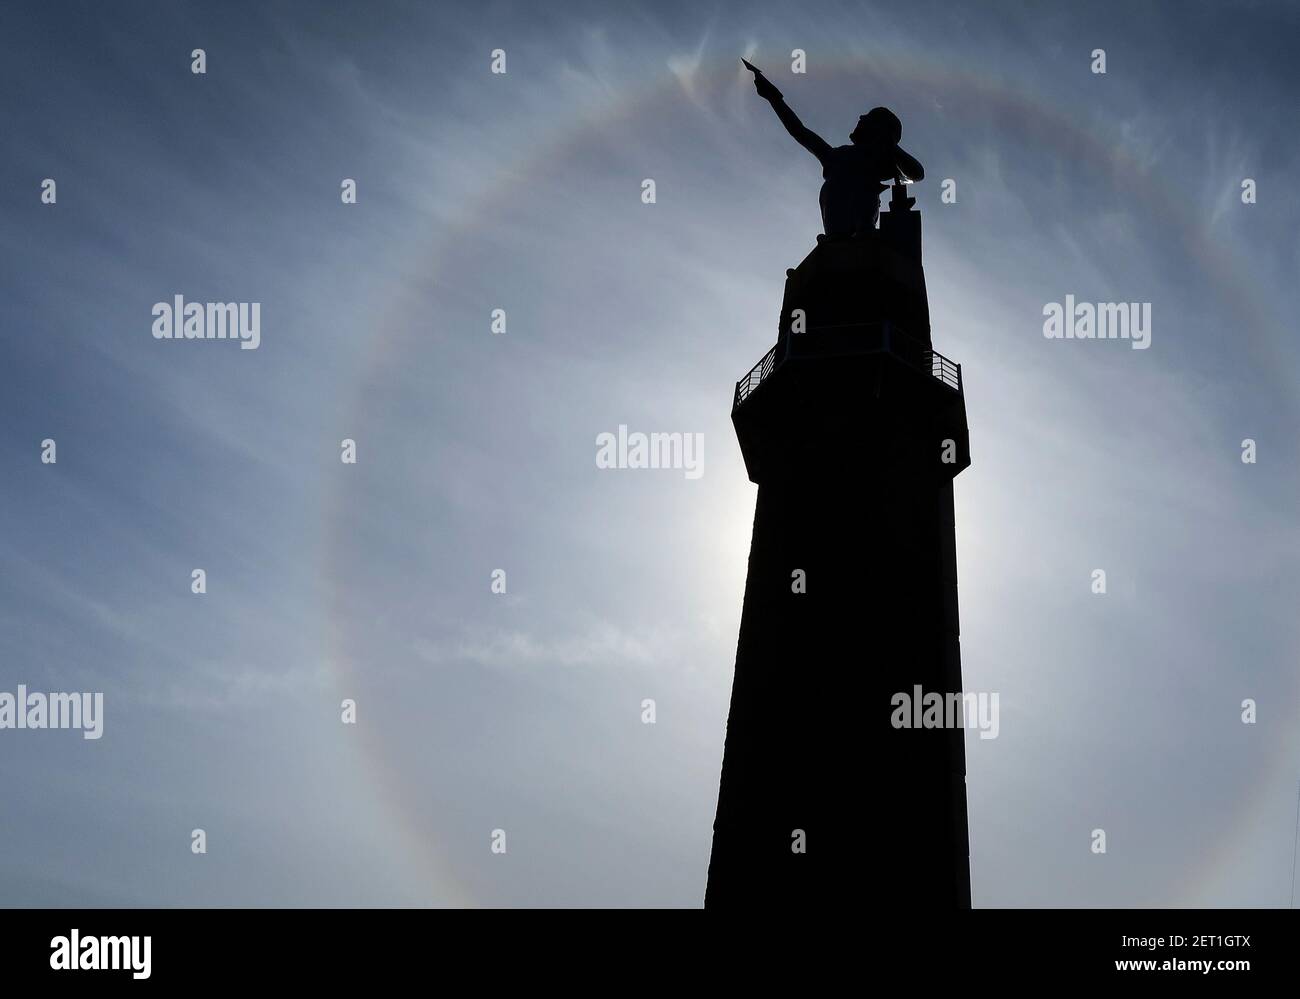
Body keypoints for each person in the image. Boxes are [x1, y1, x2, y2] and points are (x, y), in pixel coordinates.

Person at [749, 66, 924, 237]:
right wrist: (774, 98)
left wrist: (890, 145)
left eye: (869, 117)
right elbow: (800, 131)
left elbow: (916, 174)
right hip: (835, 231)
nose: (861, 117)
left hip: (863, 232)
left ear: (880, 130)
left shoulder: (881, 161)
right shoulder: (838, 155)